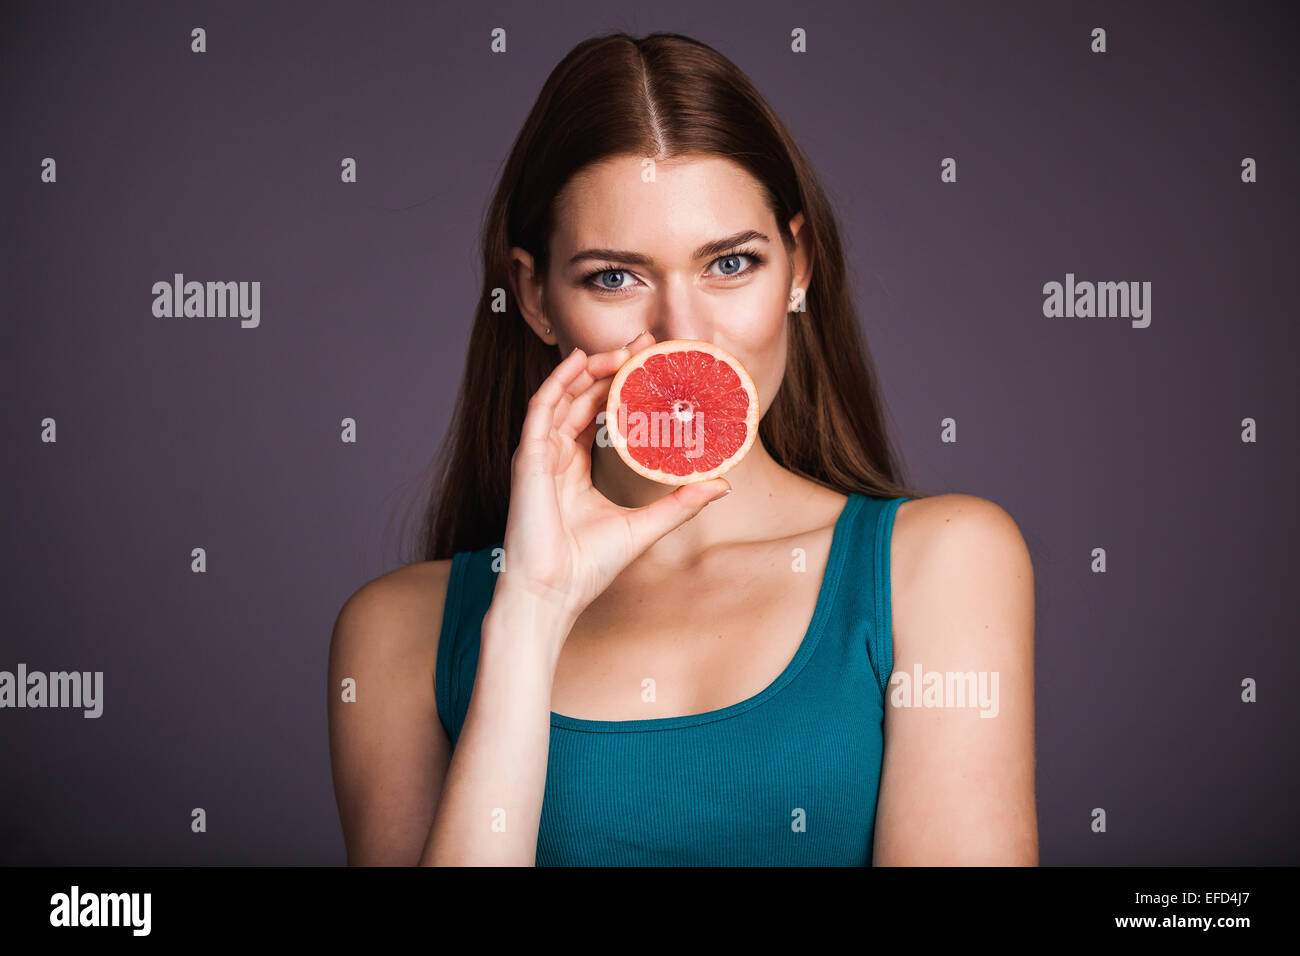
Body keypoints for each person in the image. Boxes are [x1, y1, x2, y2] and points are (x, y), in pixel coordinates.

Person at [327, 31, 1037, 866]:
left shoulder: (941, 565)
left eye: (731, 263)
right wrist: (529, 613)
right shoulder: (396, 635)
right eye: (614, 278)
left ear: (798, 267)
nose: (683, 335)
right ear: (535, 296)